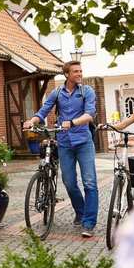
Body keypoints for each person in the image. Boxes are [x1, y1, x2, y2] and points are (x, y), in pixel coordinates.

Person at [23, 61, 97, 238]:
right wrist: (32, 121)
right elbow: (43, 111)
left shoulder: (86, 91)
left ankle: (89, 222)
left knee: (89, 182)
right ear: (66, 74)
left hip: (83, 142)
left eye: (80, 71)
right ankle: (80, 212)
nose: (79, 74)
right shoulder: (57, 93)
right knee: (69, 182)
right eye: (75, 71)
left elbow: (89, 114)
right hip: (64, 143)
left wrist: (72, 122)